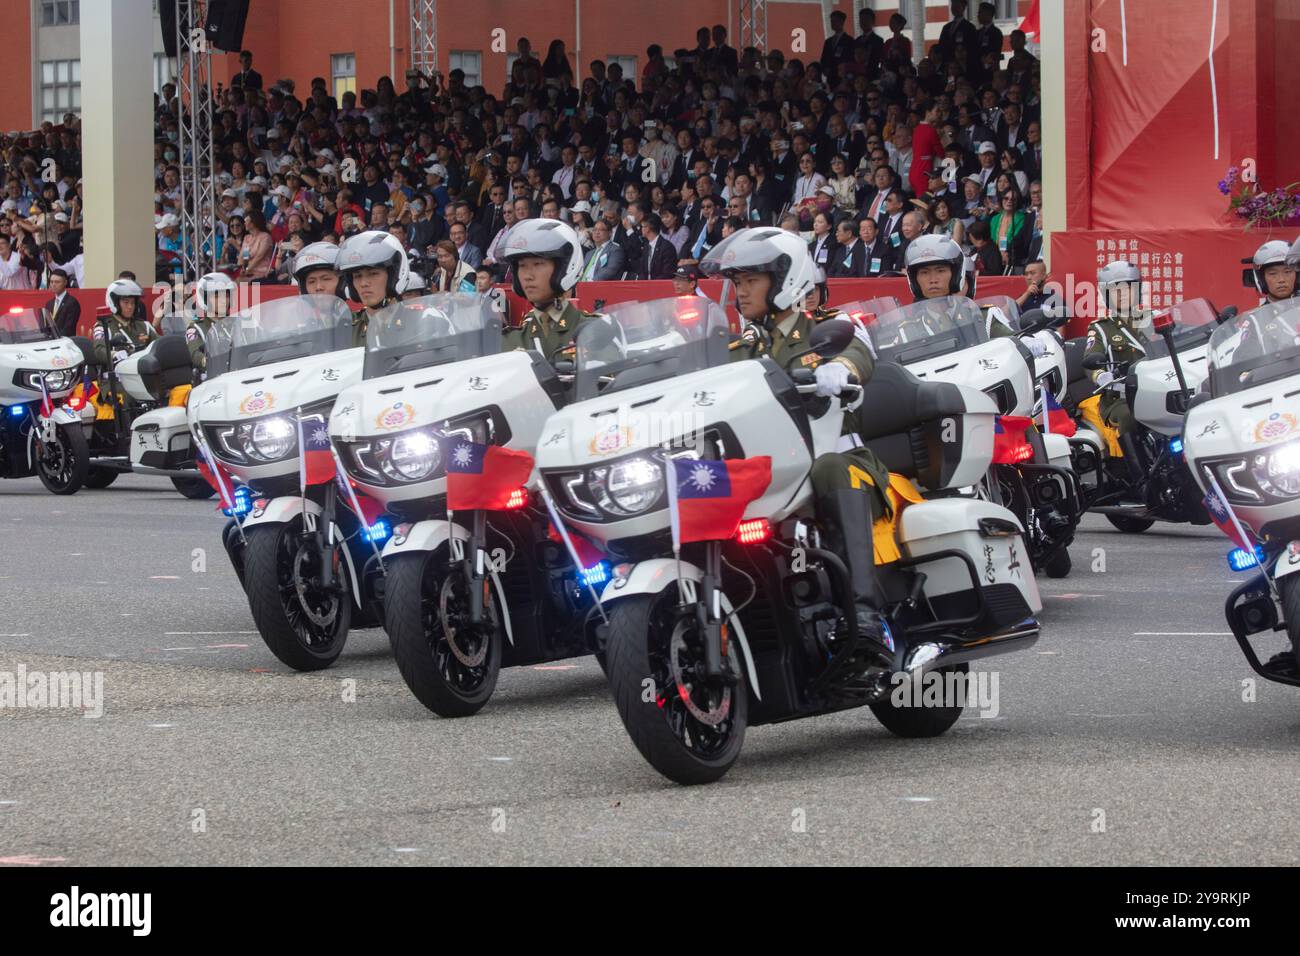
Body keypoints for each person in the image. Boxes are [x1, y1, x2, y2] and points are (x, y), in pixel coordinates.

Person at [700, 226, 892, 653]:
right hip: (771, 473)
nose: (741, 291)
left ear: (785, 281)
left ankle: (865, 617)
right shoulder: (738, 350)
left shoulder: (829, 329)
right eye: (736, 282)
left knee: (831, 467)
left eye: (751, 281)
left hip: (839, 462)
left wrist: (838, 370)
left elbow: (859, 354)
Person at [499, 218, 601, 364]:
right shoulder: (509, 340)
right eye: (522, 266)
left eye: (537, 264)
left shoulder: (595, 330)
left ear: (564, 268)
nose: (528, 276)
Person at [1085, 260, 1152, 470]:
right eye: (1116, 290)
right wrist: (1101, 375)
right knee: (1129, 417)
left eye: (1128, 288)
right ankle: (1139, 473)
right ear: (1106, 295)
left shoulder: (1152, 319)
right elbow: (1091, 359)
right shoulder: (1101, 328)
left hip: (1153, 390)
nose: (1122, 294)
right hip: (1120, 398)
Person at [336, 230, 410, 347]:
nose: (363, 283)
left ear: (394, 276)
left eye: (373, 273)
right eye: (357, 276)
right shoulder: (346, 329)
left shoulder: (423, 319)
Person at [93, 278, 156, 367]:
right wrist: (113, 354)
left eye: (133, 303)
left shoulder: (144, 326)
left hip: (144, 371)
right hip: (118, 376)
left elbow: (159, 343)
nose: (130, 307)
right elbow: (99, 350)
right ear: (114, 303)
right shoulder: (104, 326)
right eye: (126, 303)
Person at [187, 272, 236, 372]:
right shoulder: (196, 328)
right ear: (205, 300)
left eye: (226, 296)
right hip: (212, 378)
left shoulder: (237, 323)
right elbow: (195, 355)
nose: (223, 301)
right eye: (217, 297)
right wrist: (208, 361)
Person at [1246, 240, 1298, 304]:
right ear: (1261, 279)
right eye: (1273, 273)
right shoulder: (1259, 314)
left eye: (1287, 272)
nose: (1281, 279)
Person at [45, 268, 80, 338]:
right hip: (50, 343)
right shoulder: (49, 304)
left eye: (57, 282)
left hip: (65, 342)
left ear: (65, 282)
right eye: (51, 282)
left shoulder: (72, 302)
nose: (53, 285)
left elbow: (69, 328)